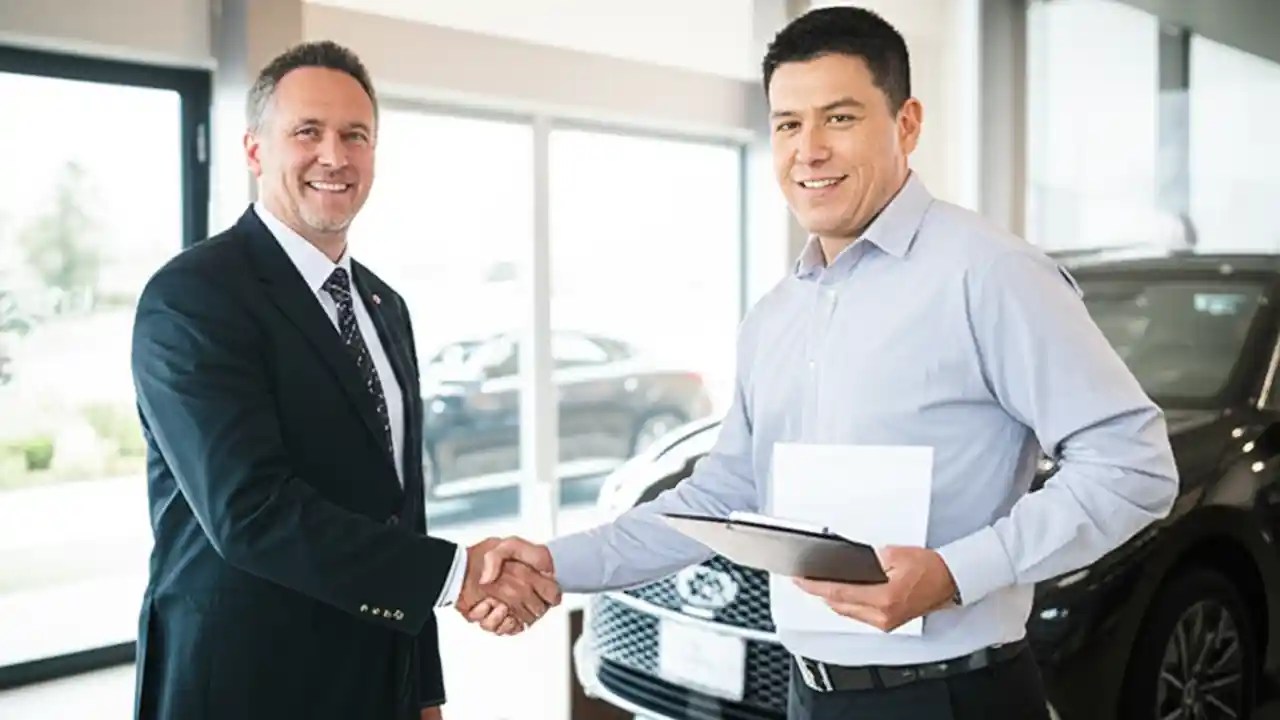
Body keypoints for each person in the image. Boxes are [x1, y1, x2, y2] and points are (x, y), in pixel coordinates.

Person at [474, 7, 1179, 719]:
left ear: (906, 125)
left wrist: (955, 574)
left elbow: (1133, 466)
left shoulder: (991, 274)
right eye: (787, 123)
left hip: (952, 697)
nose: (807, 150)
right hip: (808, 694)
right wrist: (554, 563)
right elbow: (720, 495)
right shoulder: (778, 313)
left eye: (839, 118)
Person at [129, 40, 558, 720]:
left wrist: (423, 689)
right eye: (308, 132)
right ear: (254, 151)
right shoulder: (193, 297)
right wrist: (459, 574)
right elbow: (251, 512)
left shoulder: (386, 307)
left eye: (355, 135)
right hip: (244, 681)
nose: (335, 155)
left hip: (374, 675)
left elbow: (401, 509)